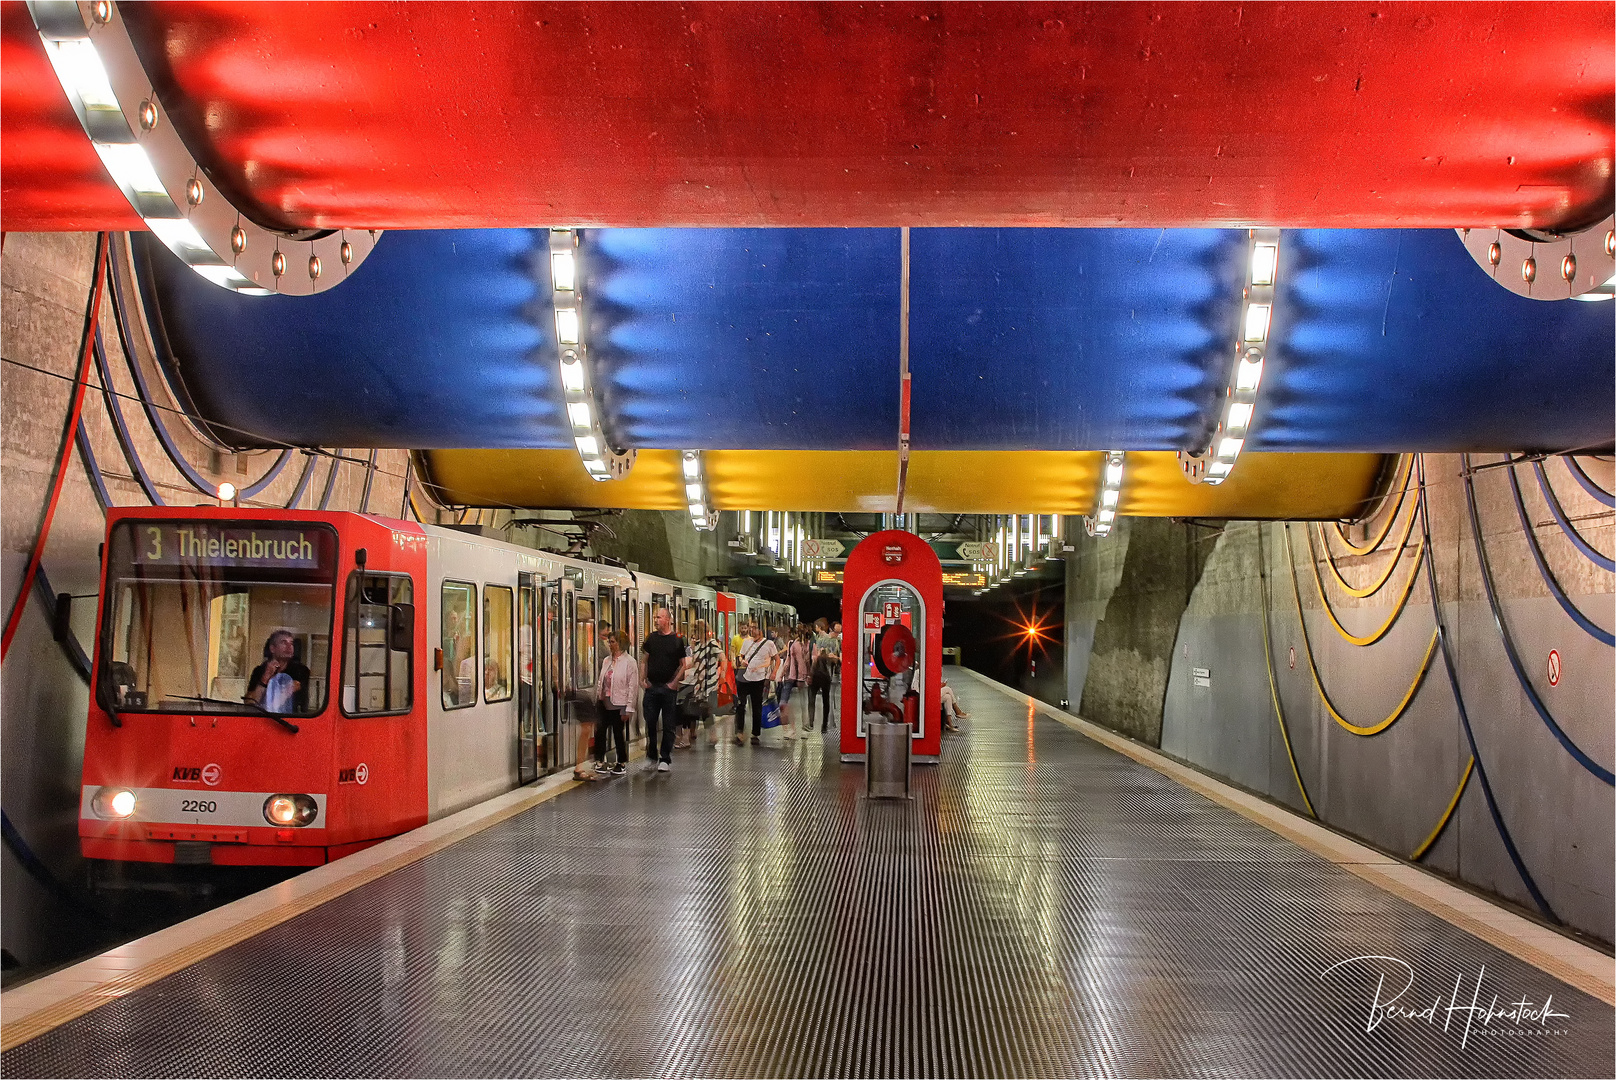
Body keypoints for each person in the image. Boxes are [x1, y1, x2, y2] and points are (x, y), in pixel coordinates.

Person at [639, 608, 688, 772]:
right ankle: (651, 755)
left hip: (668, 690)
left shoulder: (677, 640)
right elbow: (644, 660)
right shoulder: (651, 638)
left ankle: (665, 758)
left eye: (658, 617)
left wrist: (674, 683)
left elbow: (683, 664)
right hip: (652, 688)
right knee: (650, 722)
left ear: (667, 619)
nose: (655, 620)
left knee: (668, 725)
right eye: (655, 617)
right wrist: (642, 678)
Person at [592, 630, 636, 776]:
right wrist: (598, 696)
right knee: (600, 732)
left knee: (618, 733)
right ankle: (599, 760)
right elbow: (601, 680)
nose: (610, 645)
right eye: (609, 642)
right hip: (604, 702)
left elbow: (632, 686)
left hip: (619, 703)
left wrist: (628, 708)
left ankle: (621, 762)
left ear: (621, 643)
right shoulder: (606, 660)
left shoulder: (630, 662)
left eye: (613, 642)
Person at [245, 629, 309, 714]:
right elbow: (250, 702)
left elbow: (279, 701)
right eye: (284, 642)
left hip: (291, 720)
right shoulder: (259, 670)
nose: (289, 647)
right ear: (272, 648)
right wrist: (265, 677)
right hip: (260, 720)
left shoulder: (301, 670)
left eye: (291, 643)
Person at [733, 622, 777, 745]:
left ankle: (755, 733)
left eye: (754, 628)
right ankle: (739, 732)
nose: (752, 630)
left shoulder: (769, 644)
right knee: (741, 705)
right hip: (743, 678)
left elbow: (776, 659)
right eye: (751, 628)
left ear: (760, 630)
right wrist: (742, 661)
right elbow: (740, 656)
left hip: (759, 679)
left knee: (756, 706)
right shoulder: (746, 642)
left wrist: (773, 673)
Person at [685, 619, 723, 747]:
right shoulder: (697, 645)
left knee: (706, 709)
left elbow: (723, 658)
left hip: (710, 682)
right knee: (695, 706)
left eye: (695, 631)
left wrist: (722, 675)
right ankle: (692, 732)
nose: (694, 634)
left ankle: (712, 734)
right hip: (698, 682)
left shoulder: (712, 644)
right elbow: (694, 661)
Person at [776, 624, 812, 739]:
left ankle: (804, 729)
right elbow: (788, 660)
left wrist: (808, 676)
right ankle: (791, 729)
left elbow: (809, 661)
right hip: (790, 676)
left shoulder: (809, 644)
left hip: (803, 677)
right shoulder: (791, 643)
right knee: (783, 703)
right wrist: (780, 674)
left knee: (803, 704)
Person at [806, 617, 838, 732]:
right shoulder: (830, 639)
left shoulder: (819, 639)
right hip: (827, 674)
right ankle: (824, 726)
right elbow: (835, 657)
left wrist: (810, 673)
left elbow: (815, 658)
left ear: (818, 627)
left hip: (818, 672)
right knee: (826, 700)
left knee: (812, 698)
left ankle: (810, 723)